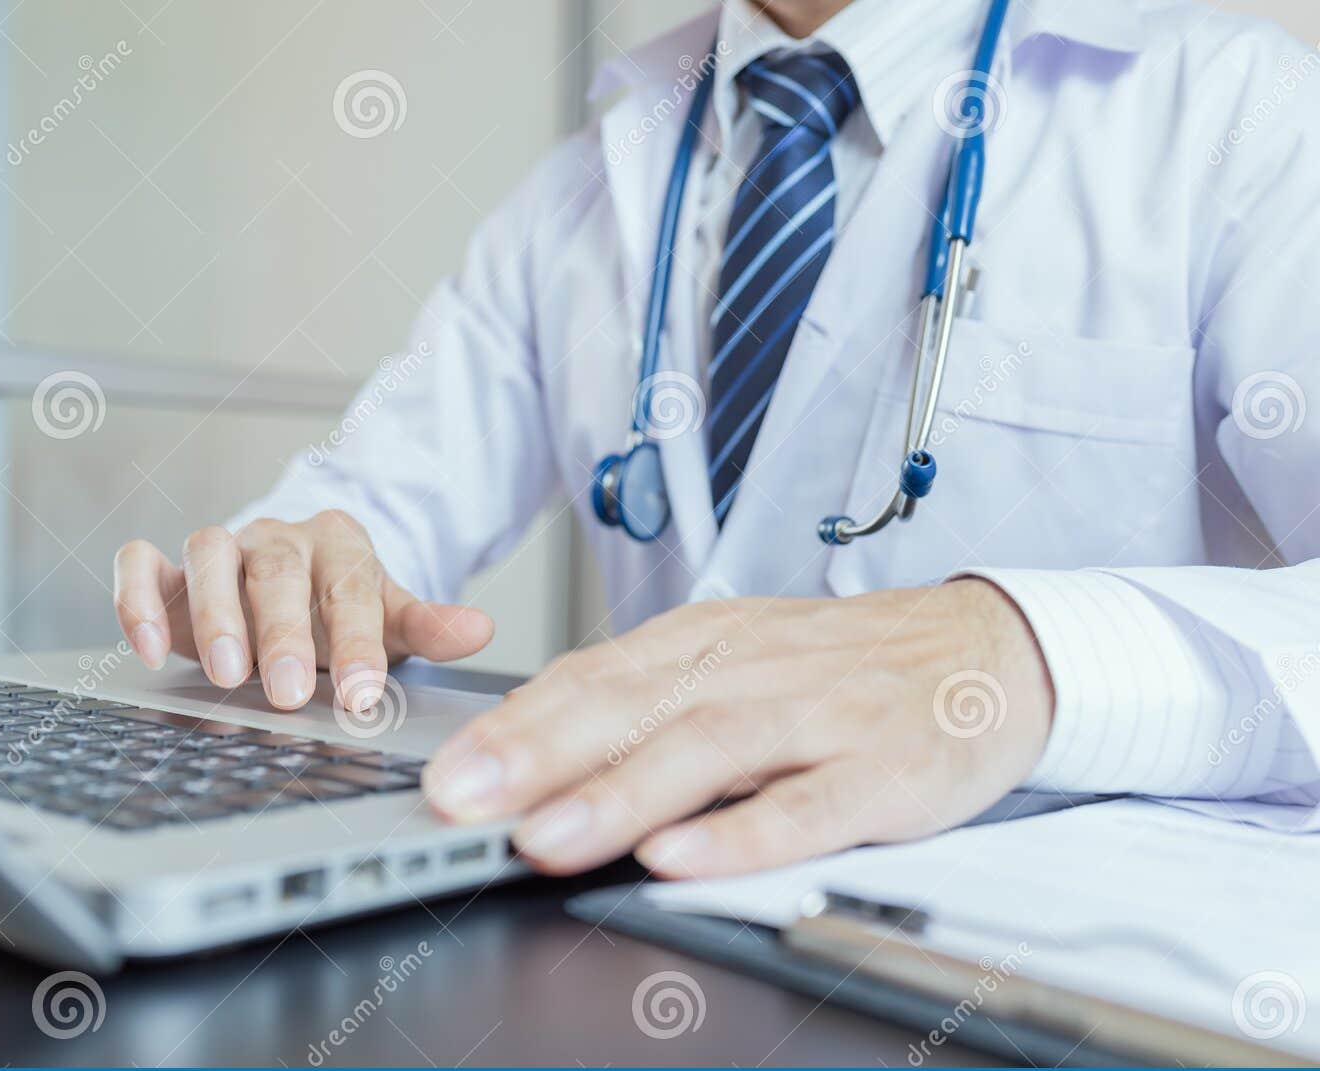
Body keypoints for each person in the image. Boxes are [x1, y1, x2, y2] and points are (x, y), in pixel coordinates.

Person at [111, 0, 1320, 879]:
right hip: (644, 929)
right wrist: (300, 581)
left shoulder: (1235, 113)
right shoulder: (591, 178)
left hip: (1048, 997)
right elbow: (375, 514)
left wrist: (1024, 654)